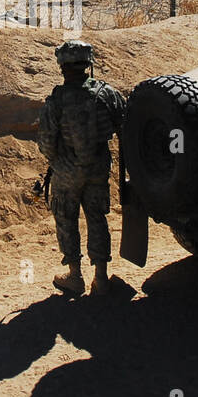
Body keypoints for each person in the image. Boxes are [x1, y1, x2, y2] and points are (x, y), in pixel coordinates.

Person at [36, 40, 126, 297]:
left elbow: (46, 143)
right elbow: (124, 126)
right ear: (88, 64)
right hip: (98, 168)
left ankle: (75, 277)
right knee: (97, 218)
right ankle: (101, 278)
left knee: (66, 219)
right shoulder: (107, 93)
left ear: (62, 67)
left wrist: (59, 163)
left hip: (67, 172)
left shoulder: (56, 100)